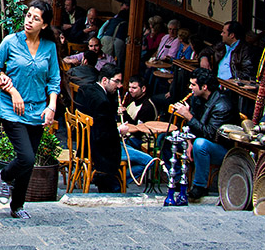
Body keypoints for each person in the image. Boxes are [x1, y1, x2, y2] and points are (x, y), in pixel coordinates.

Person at [0, 0, 60, 220]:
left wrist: (51, 107)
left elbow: (54, 80)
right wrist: (13, 91)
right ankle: (5, 175)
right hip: (12, 109)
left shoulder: (49, 47)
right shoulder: (10, 41)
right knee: (26, 157)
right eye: (28, 16)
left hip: (37, 110)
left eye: (36, 18)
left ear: (44, 25)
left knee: (29, 161)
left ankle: (17, 205)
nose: (29, 21)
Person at [76, 64, 153, 192]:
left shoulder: (85, 90)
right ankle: (117, 181)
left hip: (85, 146)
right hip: (101, 150)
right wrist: (119, 130)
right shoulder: (102, 102)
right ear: (105, 80)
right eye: (116, 81)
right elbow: (103, 135)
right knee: (149, 161)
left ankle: (114, 180)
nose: (119, 86)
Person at [172, 68, 233, 201]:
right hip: (200, 140)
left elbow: (210, 134)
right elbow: (192, 126)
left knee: (200, 144)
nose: (190, 87)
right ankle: (177, 179)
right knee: (170, 139)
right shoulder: (197, 99)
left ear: (204, 87)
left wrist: (188, 116)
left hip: (222, 149)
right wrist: (188, 142)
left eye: (193, 85)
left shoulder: (222, 105)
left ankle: (200, 186)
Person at [119, 74, 158, 150]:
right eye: (129, 87)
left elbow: (138, 131)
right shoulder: (134, 100)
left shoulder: (146, 107)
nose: (130, 90)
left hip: (141, 140)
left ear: (143, 89)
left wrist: (124, 114)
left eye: (134, 88)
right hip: (130, 134)